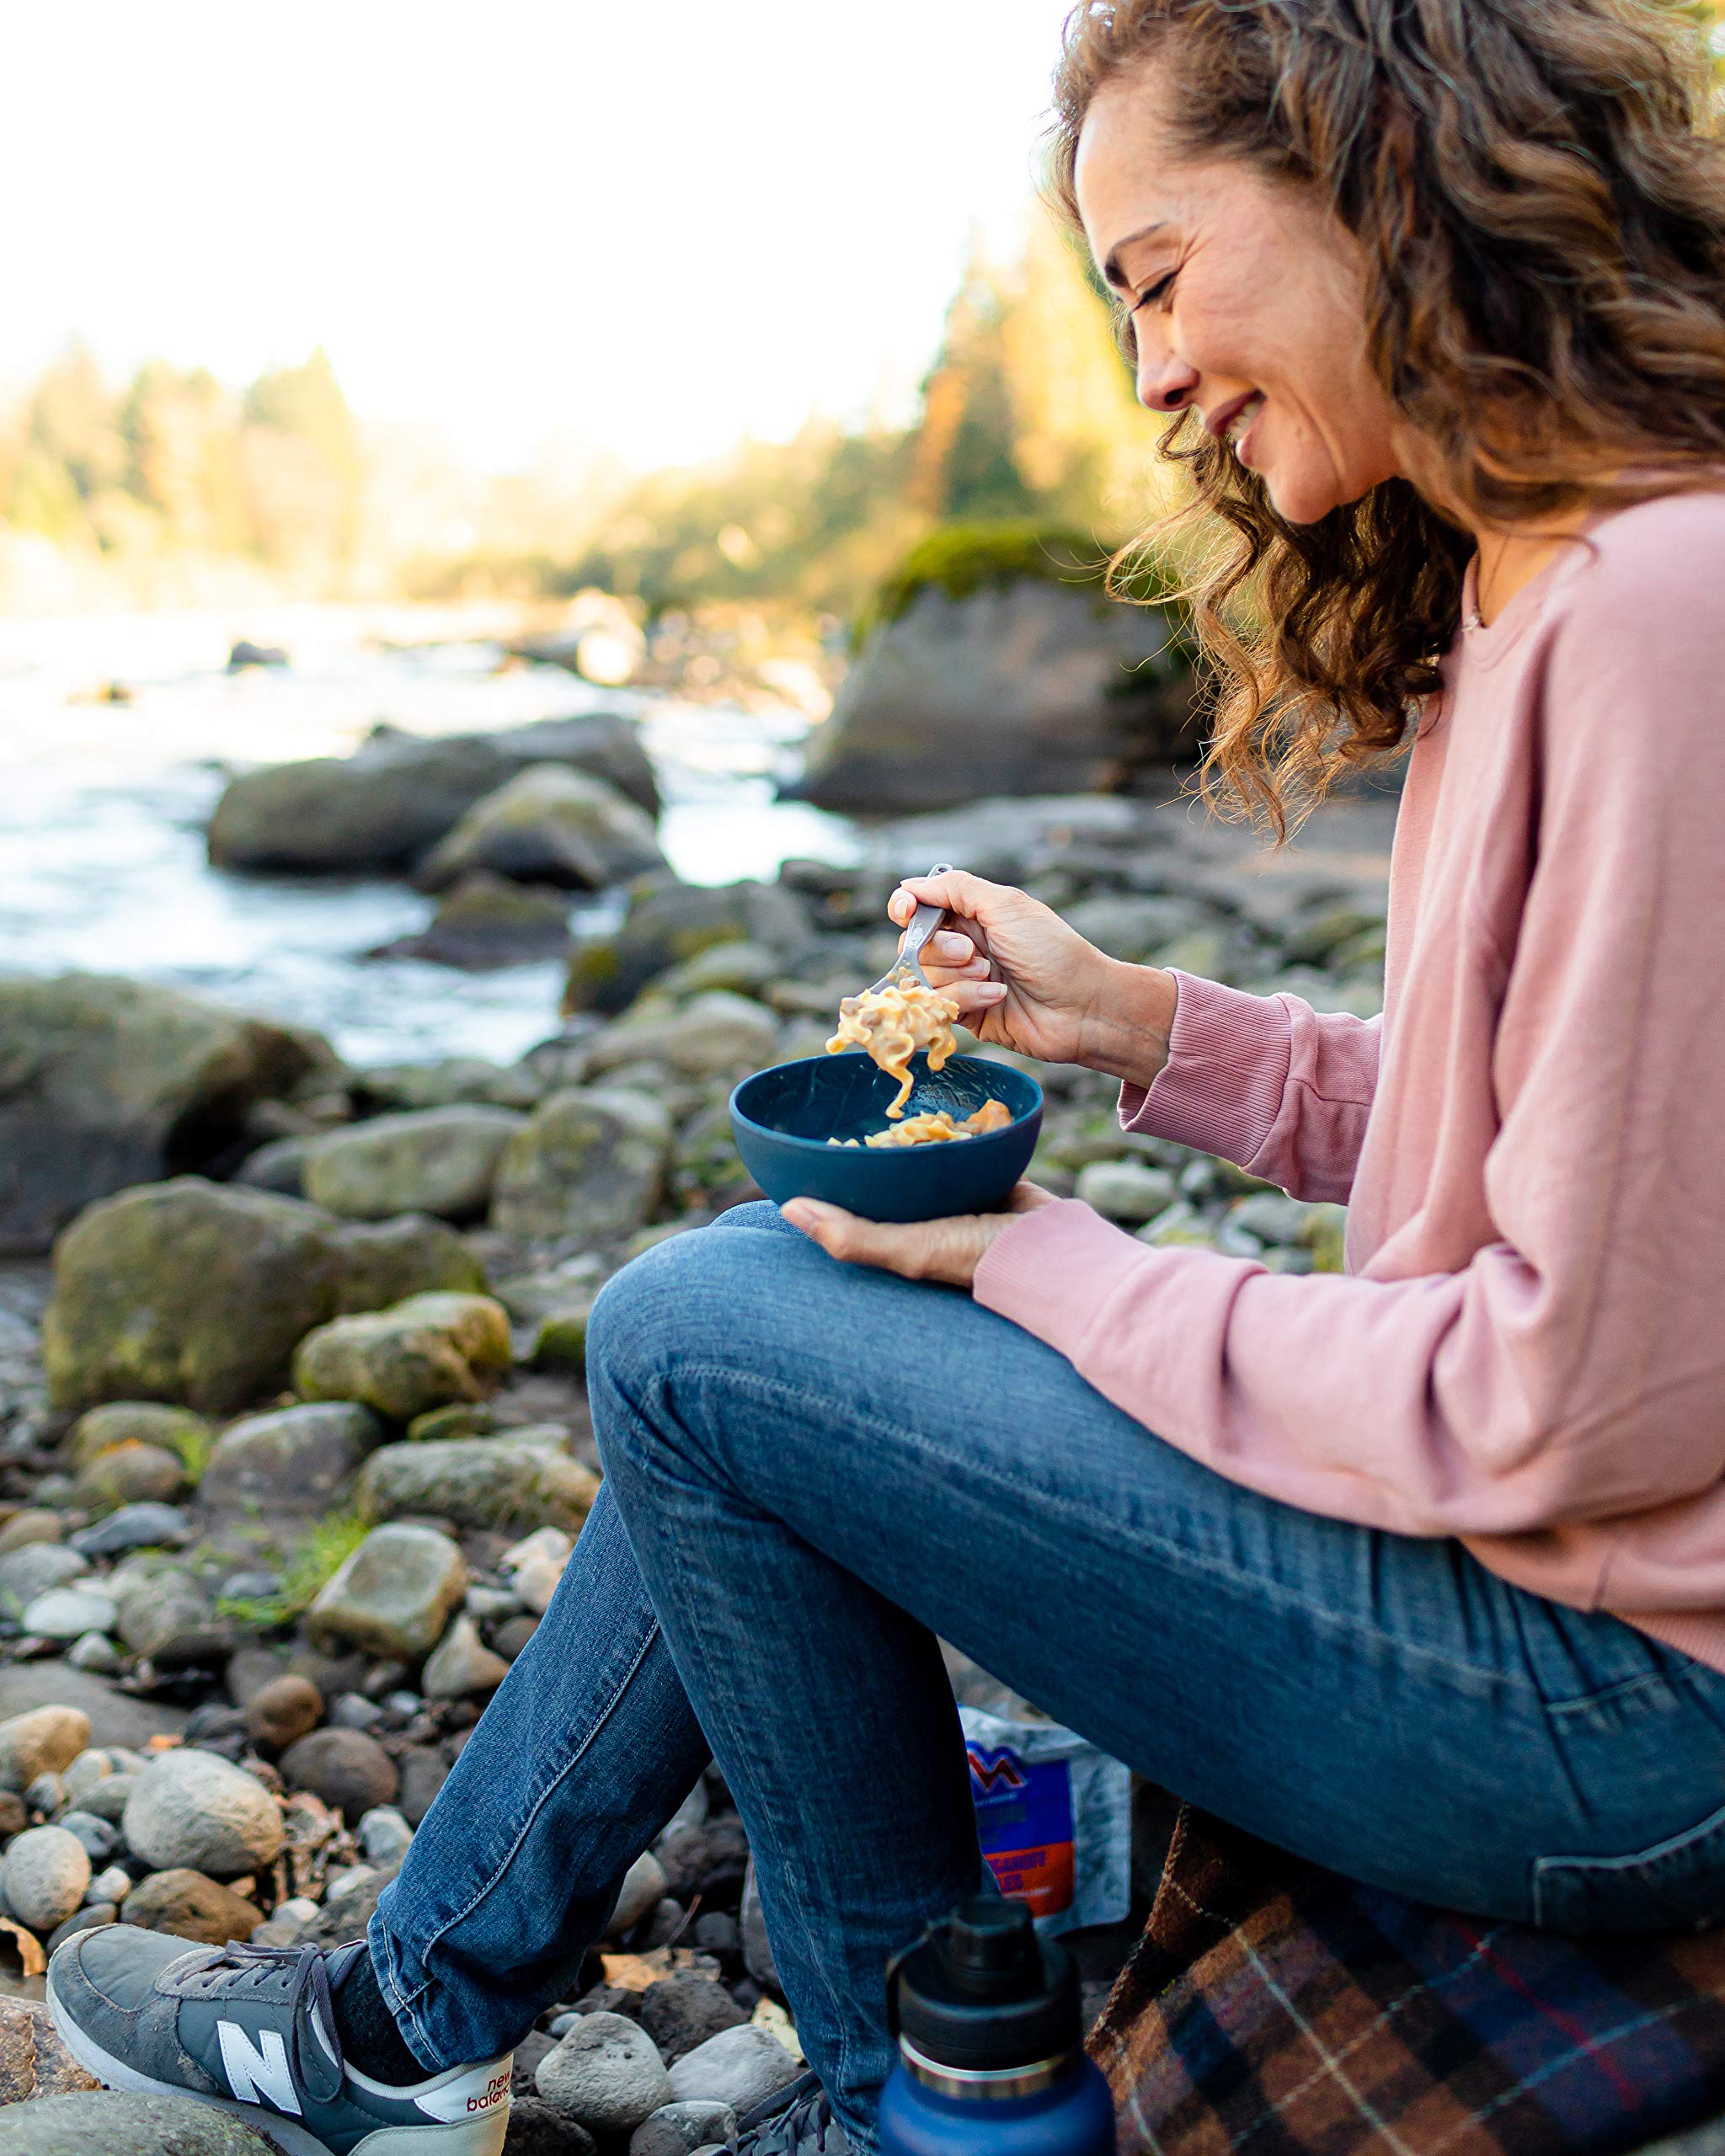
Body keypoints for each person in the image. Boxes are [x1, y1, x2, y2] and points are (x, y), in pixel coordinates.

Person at [46, 2, 1725, 2152]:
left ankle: (747, 2074)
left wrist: (1031, 1260)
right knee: (748, 1306)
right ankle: (490, 2018)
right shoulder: (1535, 591)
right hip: (1572, 1623)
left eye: (1155, 275)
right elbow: (1555, 1132)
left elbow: (1557, 1395)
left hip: (1615, 1711)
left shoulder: (1657, 605)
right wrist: (1138, 1025)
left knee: (687, 1326)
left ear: (1364, 165)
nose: (1148, 376)